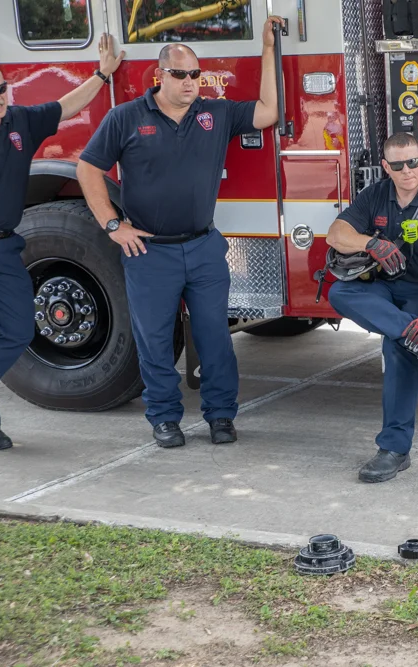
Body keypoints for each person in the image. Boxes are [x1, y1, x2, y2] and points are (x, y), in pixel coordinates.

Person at [76, 21, 281, 448]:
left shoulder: (215, 113)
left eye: (195, 74)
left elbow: (268, 111)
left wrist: (267, 48)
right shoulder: (126, 117)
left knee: (215, 339)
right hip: (150, 253)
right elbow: (88, 167)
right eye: (181, 75)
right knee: (153, 341)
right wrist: (113, 225)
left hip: (204, 247)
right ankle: (164, 418)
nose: (191, 82)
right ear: (161, 75)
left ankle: (221, 416)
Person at [0, 36, 125, 451]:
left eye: (1, 88)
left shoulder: (20, 121)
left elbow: (66, 106)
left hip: (5, 247)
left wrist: (101, 74)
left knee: (17, 331)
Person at [326, 132, 418, 483]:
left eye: (414, 161)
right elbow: (335, 233)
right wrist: (371, 243)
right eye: (399, 165)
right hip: (386, 287)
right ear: (386, 167)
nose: (408, 171)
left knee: (397, 346)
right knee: (340, 294)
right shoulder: (375, 195)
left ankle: (394, 450)